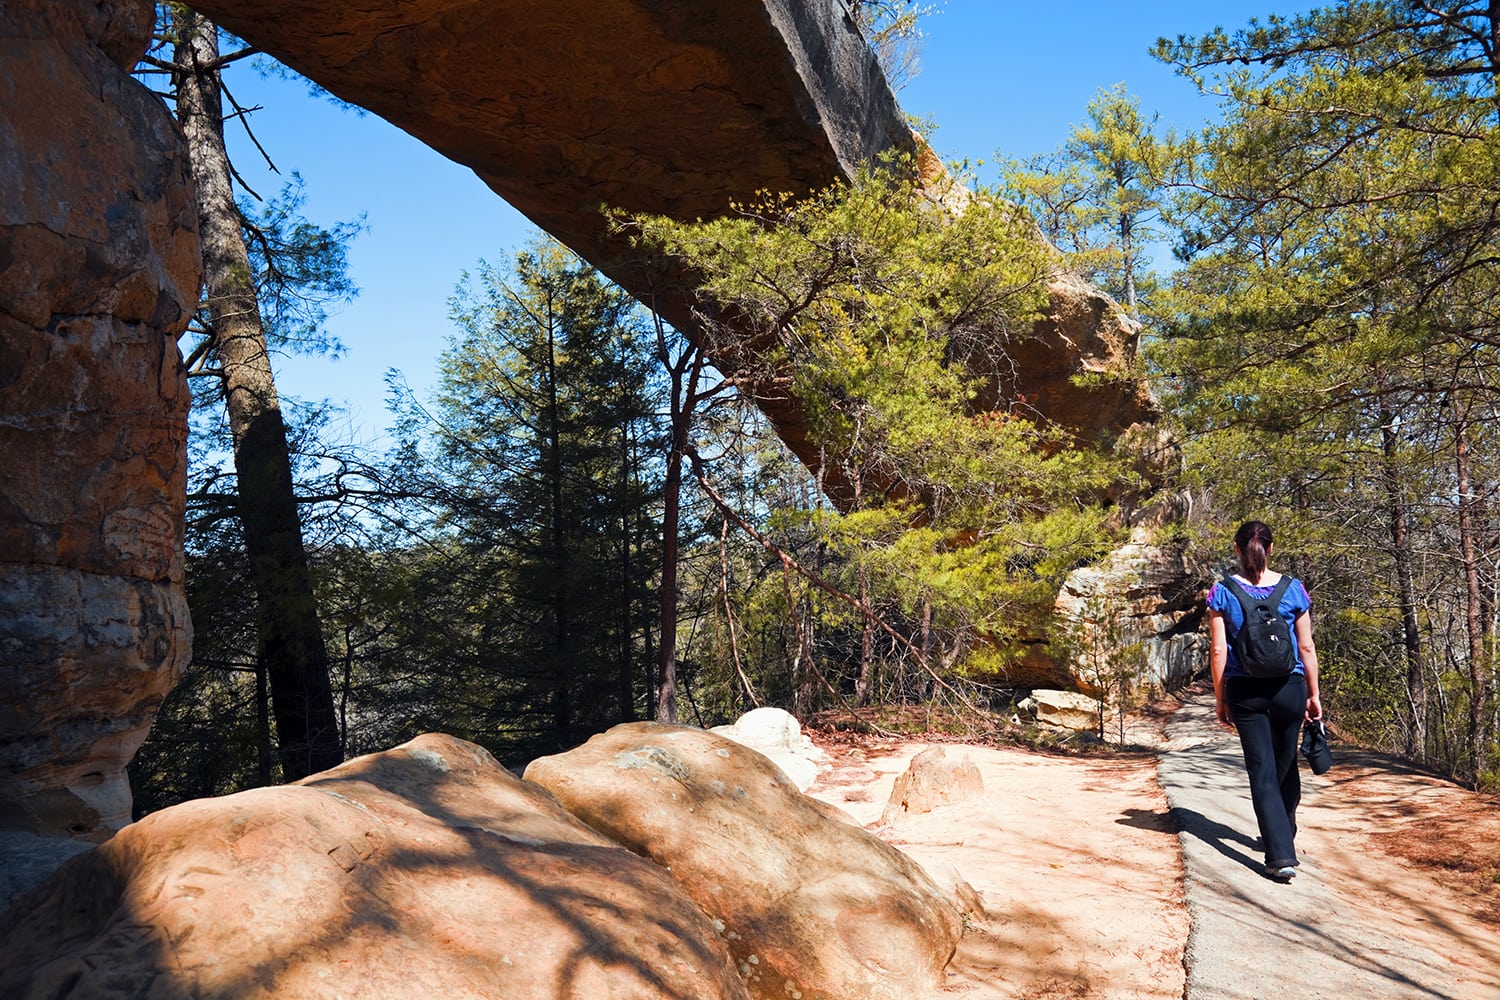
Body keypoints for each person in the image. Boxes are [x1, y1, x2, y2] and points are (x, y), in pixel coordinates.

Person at [1205, 520, 1323, 882]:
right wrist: (1314, 694)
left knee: (1263, 770)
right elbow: (1306, 646)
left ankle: (1280, 854)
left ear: (1237, 549)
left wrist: (1221, 698)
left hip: (1245, 691)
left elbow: (1219, 650)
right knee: (1285, 765)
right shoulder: (1293, 589)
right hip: (1290, 687)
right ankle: (1283, 836)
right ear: (1271, 549)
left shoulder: (1222, 592)